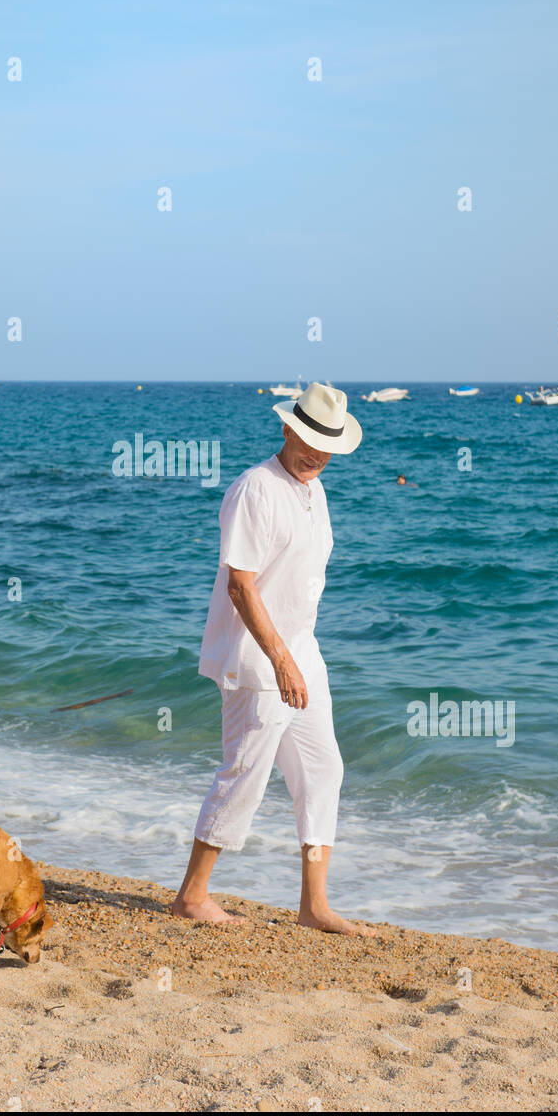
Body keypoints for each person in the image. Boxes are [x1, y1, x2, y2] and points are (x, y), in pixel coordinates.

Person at [172, 381, 376, 936]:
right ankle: (191, 896)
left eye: (326, 444)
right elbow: (241, 585)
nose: (315, 452)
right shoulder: (255, 489)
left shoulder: (315, 491)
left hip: (302, 651)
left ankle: (314, 906)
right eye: (307, 438)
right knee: (245, 773)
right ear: (286, 429)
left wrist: (297, 656)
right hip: (256, 658)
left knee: (323, 769)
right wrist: (281, 660)